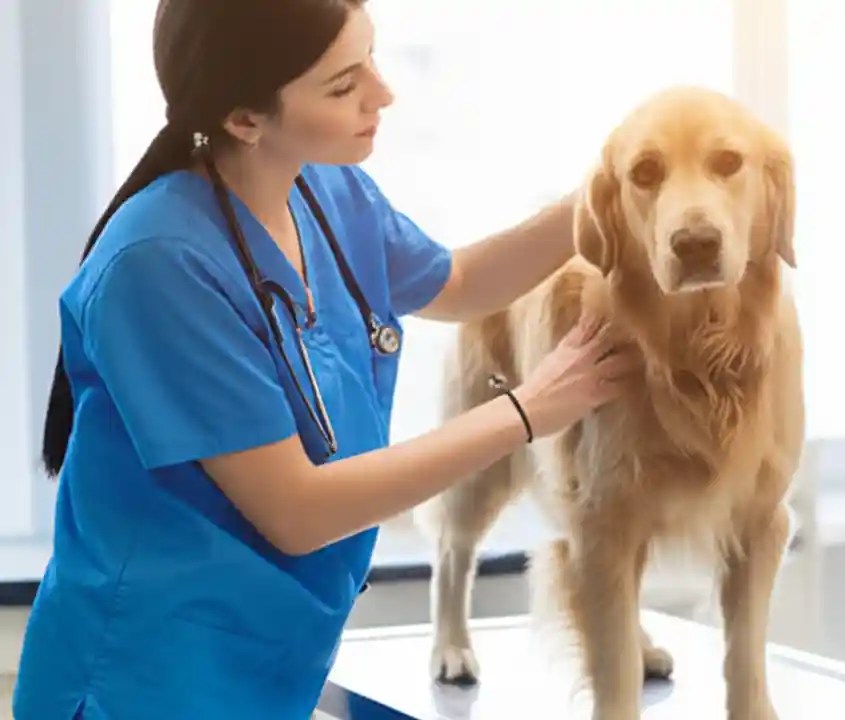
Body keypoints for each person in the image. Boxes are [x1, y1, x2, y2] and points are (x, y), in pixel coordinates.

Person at [12, 1, 640, 718]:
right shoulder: (158, 266)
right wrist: (526, 412)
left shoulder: (323, 190)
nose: (383, 93)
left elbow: (460, 284)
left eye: (371, 57)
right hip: (143, 680)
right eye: (343, 86)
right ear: (245, 119)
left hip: (265, 667)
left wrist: (605, 192)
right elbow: (298, 512)